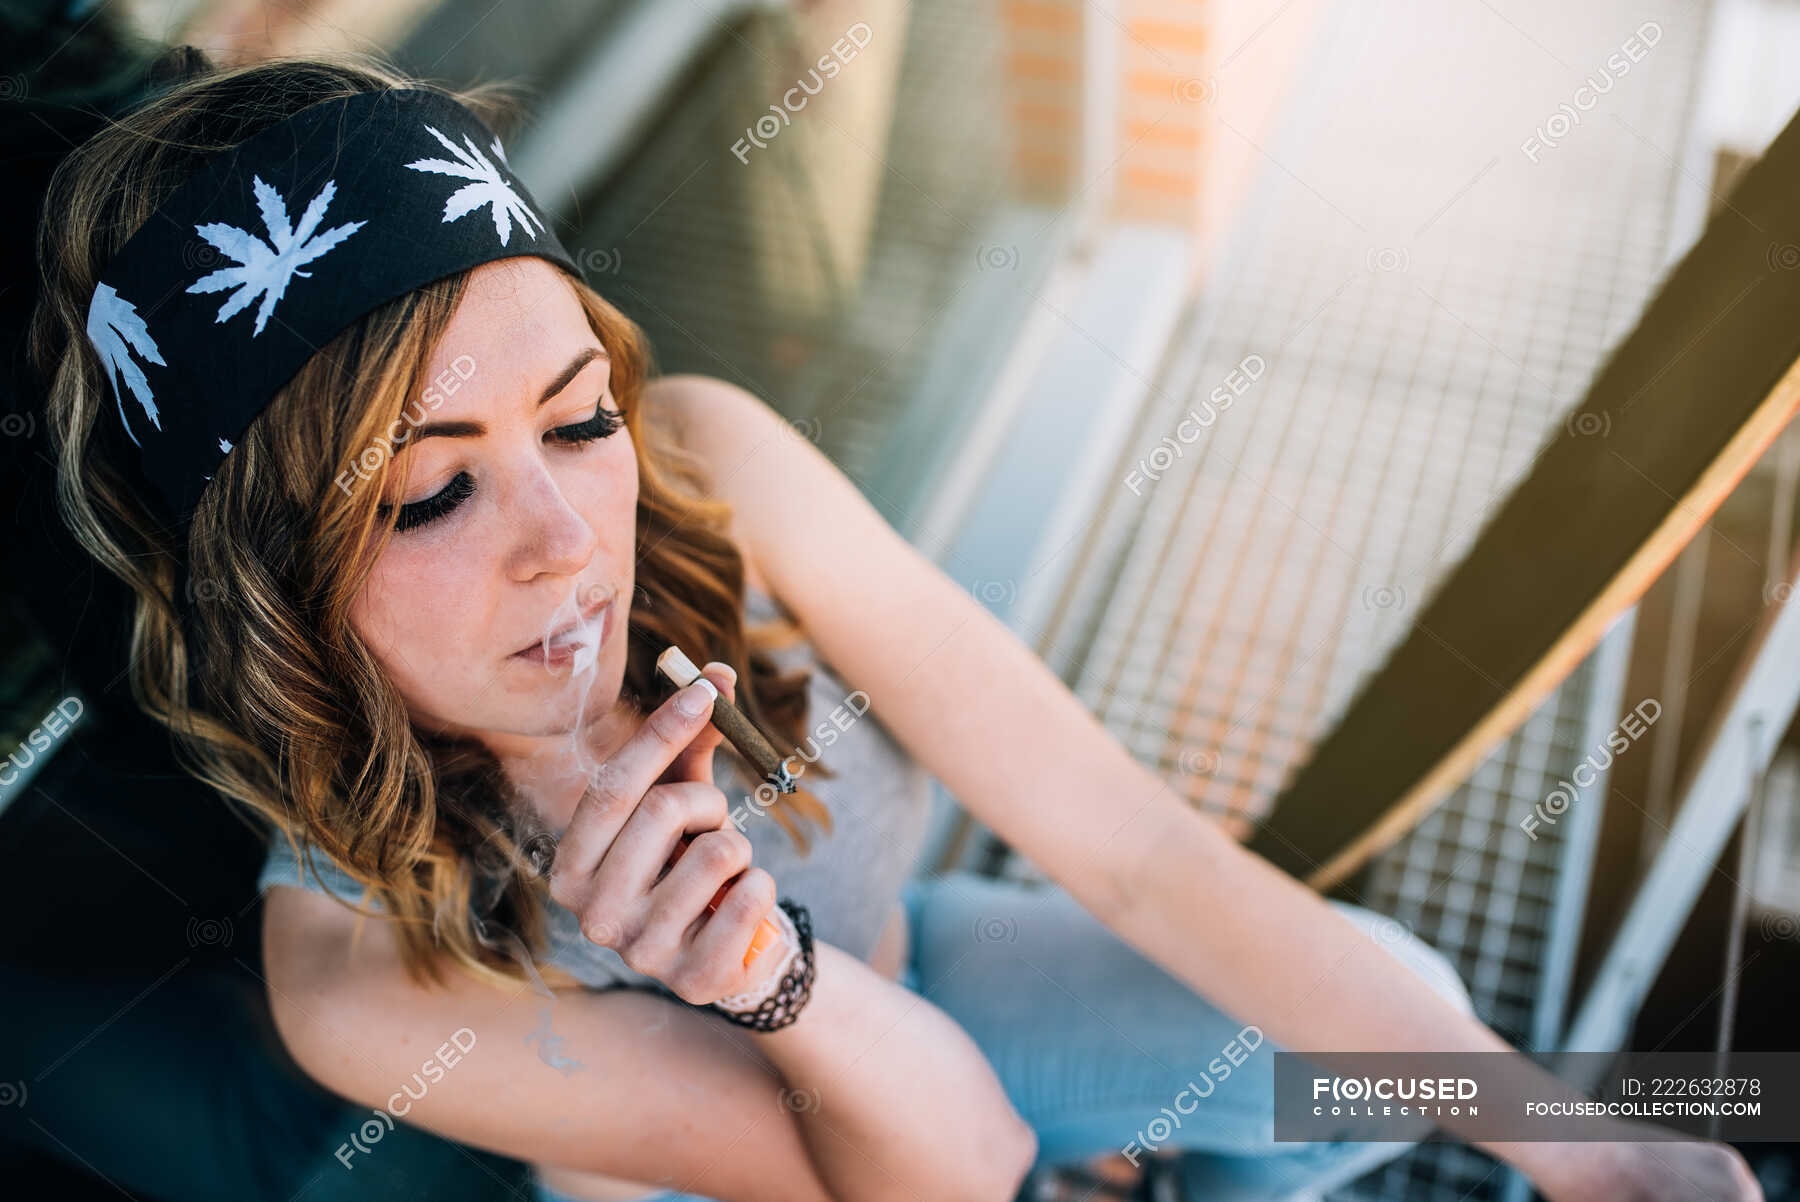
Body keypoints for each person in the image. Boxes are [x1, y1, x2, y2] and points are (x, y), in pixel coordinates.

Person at [29, 48, 1763, 1202]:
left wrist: (1581, 1144)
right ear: (272, 583)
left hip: (927, 957)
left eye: (575, 419)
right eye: (427, 495)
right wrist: (759, 973)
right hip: (816, 1157)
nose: (572, 545)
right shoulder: (355, 976)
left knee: (1406, 1010)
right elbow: (954, 1161)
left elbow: (1138, 848)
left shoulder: (707, 463)